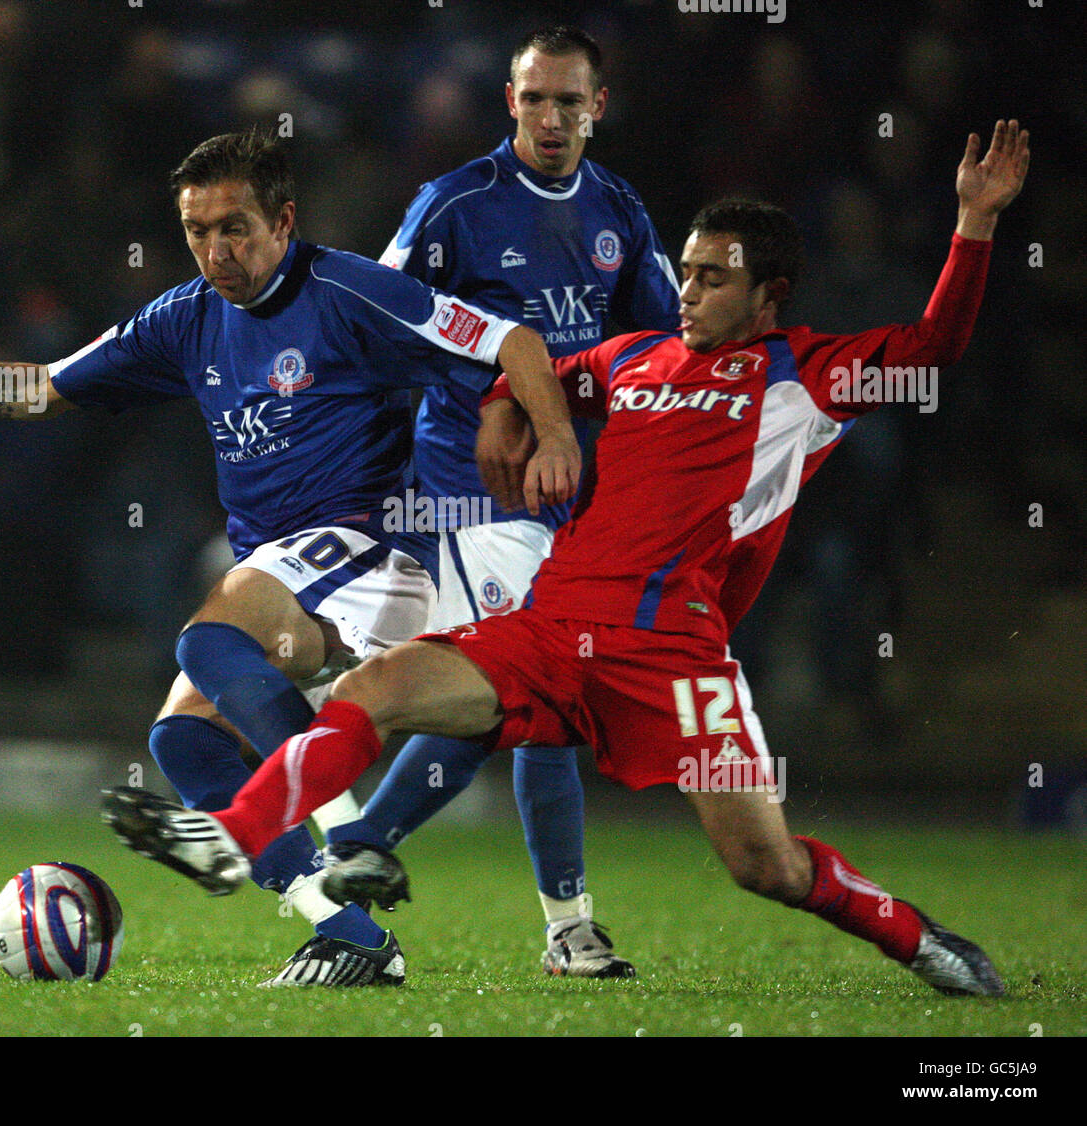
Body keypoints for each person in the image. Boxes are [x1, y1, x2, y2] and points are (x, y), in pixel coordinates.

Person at [106, 120, 1029, 998]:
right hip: (551, 628)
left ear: (769, 297)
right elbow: (523, 366)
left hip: (673, 656)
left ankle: (916, 935)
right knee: (374, 689)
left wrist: (975, 224)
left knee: (767, 867)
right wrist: (515, 421)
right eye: (688, 273)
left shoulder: (809, 372)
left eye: (713, 279)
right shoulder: (633, 360)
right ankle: (238, 838)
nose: (690, 293)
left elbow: (933, 348)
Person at [0, 127, 581, 988]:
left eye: (234, 227)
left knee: (208, 636)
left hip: (377, 548)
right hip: (294, 573)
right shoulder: (184, 317)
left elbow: (515, 344)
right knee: (184, 740)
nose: (214, 250)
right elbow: (46, 386)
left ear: (284, 221)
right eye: (197, 230)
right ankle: (351, 934)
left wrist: (556, 435)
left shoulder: (350, 291)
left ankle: (348, 833)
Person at [325, 25, 680, 978]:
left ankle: (363, 835)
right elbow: (379, 320)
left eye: (569, 101)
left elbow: (654, 344)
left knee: (512, 700)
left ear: (598, 107)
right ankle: (562, 926)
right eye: (534, 99)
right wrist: (480, 401)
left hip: (564, 490)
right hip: (465, 489)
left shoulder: (618, 211)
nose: (551, 117)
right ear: (510, 102)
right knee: (543, 691)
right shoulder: (456, 206)